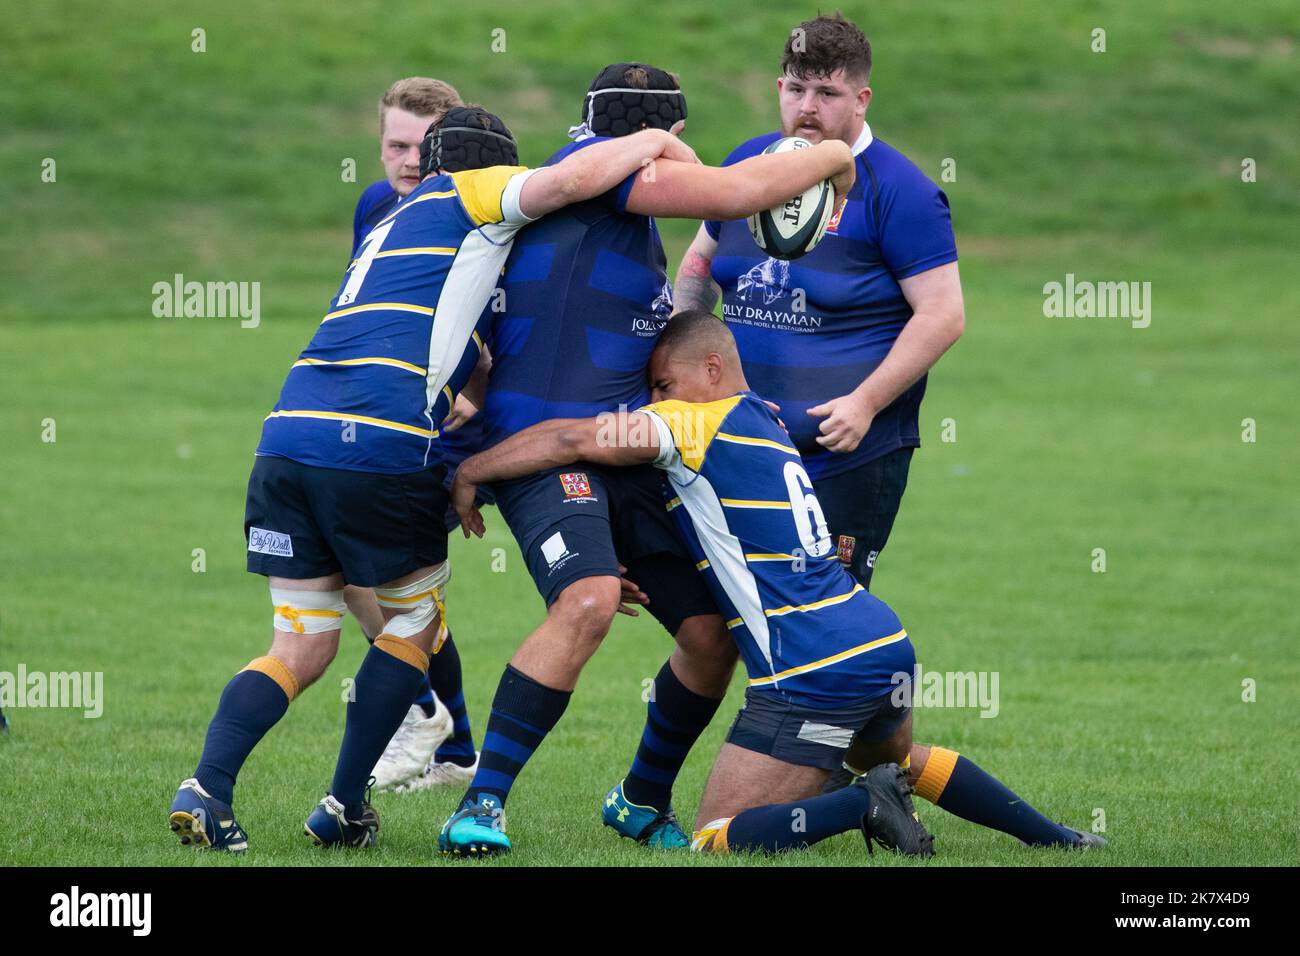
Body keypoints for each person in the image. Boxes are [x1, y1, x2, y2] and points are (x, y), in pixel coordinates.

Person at [166, 109, 701, 852]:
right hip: (379, 447)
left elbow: (464, 358)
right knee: (413, 628)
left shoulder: (395, 216)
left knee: (300, 646)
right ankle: (345, 802)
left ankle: (208, 786)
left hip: (285, 437)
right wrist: (652, 137)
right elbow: (574, 178)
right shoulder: (472, 195)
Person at [450, 312, 1104, 855]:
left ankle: (860, 806)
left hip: (812, 667)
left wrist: (473, 469)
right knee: (902, 760)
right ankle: (1058, 841)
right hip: (881, 641)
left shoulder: (691, 424)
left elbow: (571, 438)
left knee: (713, 839)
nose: (655, 401)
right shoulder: (764, 419)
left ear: (709, 371)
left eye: (662, 384)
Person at [436, 63, 857, 857]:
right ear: (659, 138)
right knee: (591, 600)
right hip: (544, 451)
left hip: (624, 456)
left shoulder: (595, 194)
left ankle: (639, 798)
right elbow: (736, 195)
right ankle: (482, 802)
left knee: (709, 635)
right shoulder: (611, 184)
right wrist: (834, 158)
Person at [673, 13, 965, 593]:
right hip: (742, 441)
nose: (809, 106)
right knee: (716, 623)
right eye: (797, 88)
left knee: (823, 619)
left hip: (846, 457)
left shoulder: (900, 191)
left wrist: (864, 404)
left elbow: (944, 315)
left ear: (861, 99)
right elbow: (699, 266)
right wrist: (683, 360)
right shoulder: (748, 164)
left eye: (828, 92)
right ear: (780, 89)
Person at [349, 76, 481, 792]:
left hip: (443, 426)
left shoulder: (474, 213)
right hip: (376, 420)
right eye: (395, 145)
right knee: (388, 586)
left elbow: (501, 315)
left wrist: (468, 390)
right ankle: (452, 741)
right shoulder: (374, 206)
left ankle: (428, 716)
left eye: (423, 148)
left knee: (378, 579)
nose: (407, 161)